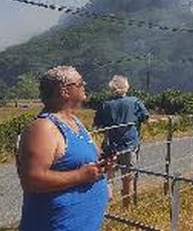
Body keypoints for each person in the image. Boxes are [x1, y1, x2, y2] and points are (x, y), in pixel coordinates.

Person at [17, 66, 112, 231]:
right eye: (80, 83)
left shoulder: (75, 122)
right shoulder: (43, 128)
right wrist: (81, 176)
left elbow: (90, 160)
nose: (85, 84)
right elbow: (32, 180)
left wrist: (104, 163)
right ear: (65, 91)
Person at [93, 75, 148, 207]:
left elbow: (98, 125)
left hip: (110, 146)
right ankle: (126, 207)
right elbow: (145, 117)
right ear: (126, 87)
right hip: (129, 145)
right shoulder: (134, 102)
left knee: (109, 178)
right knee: (127, 177)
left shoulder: (104, 105)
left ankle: (106, 207)